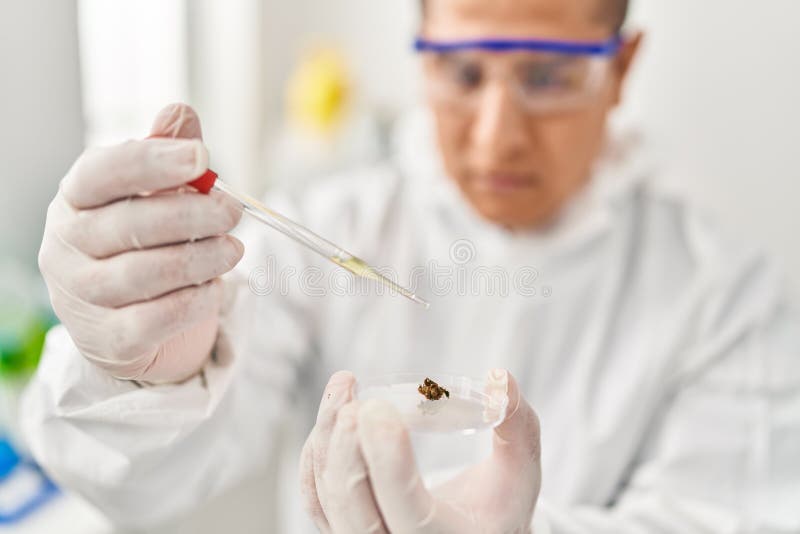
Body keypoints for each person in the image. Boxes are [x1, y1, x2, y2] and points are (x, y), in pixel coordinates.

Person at [22, 0, 800, 532]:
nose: (498, 138)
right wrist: (149, 371)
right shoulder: (332, 227)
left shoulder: (726, 295)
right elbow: (141, 484)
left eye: (548, 76)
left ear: (622, 68)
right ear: (419, 54)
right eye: (463, 74)